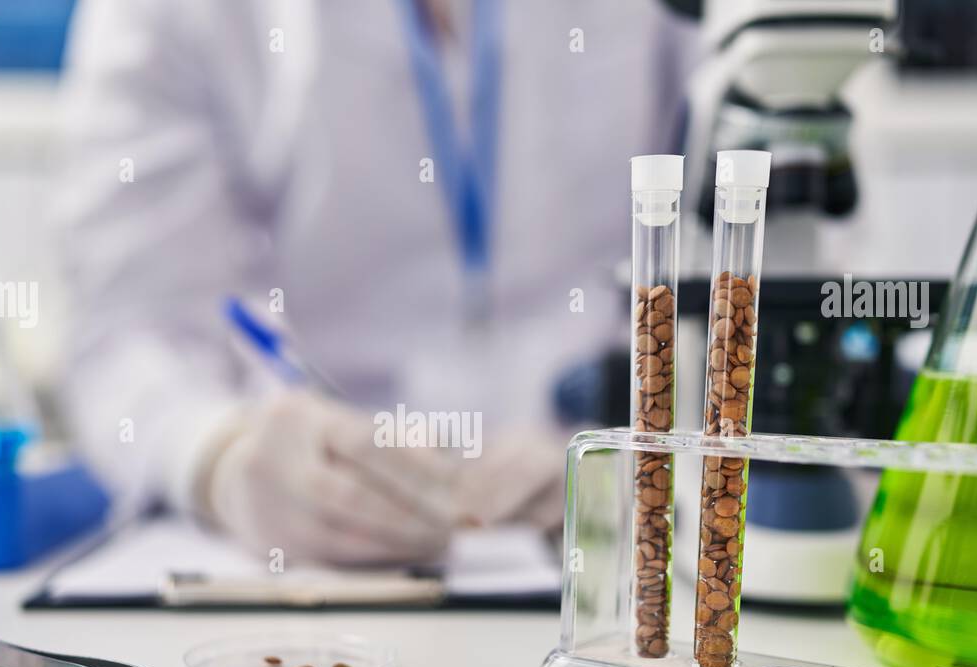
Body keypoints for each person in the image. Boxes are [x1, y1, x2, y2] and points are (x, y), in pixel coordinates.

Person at [54, 0, 694, 565]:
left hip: (619, 538)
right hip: (306, 570)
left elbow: (734, 241)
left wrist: (643, 443)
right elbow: (128, 324)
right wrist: (219, 457)